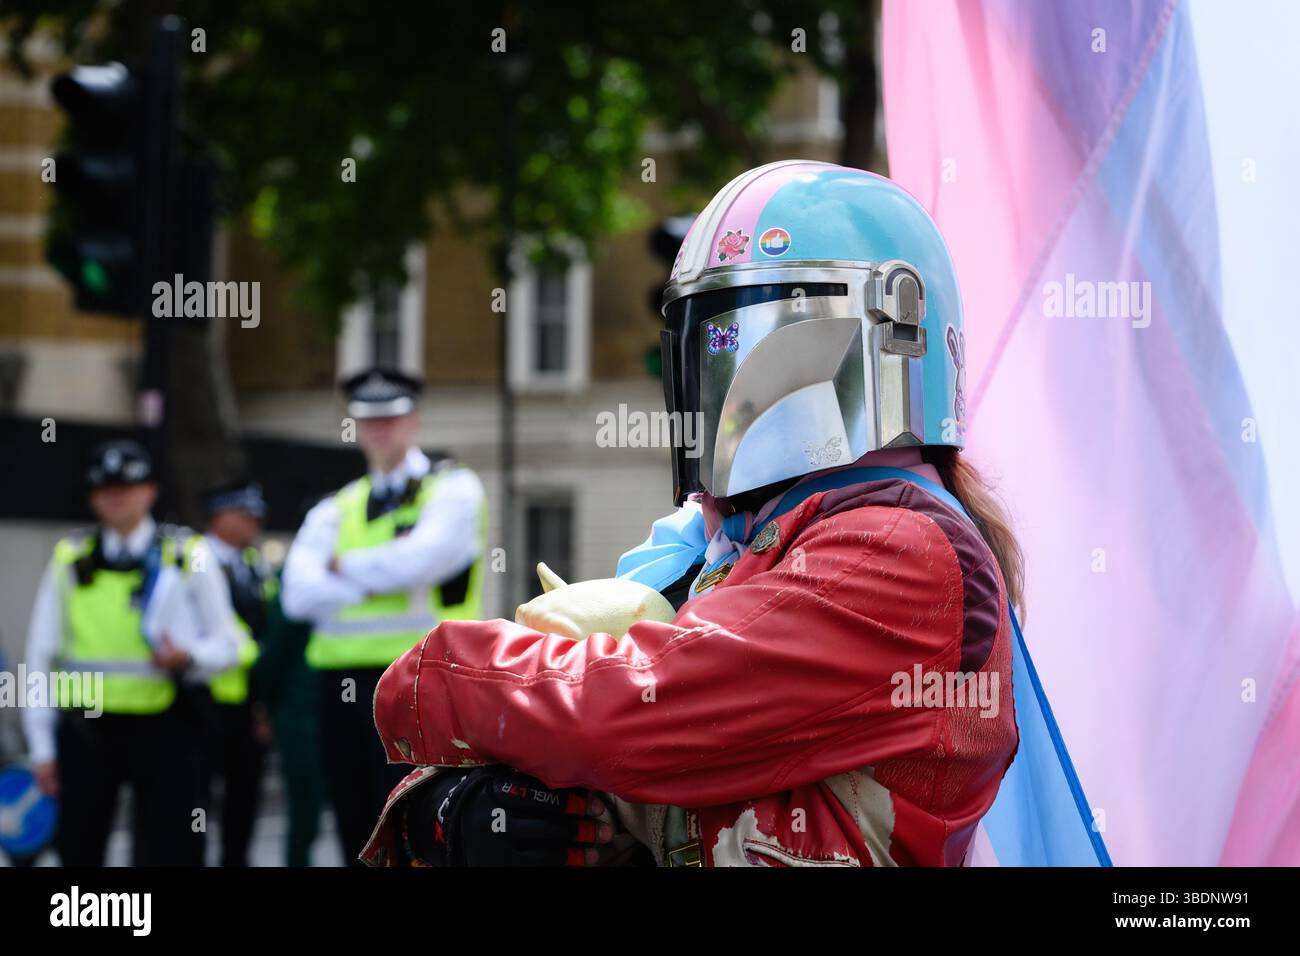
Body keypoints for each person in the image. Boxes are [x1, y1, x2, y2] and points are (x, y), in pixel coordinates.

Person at [361, 162, 1030, 868]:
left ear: (889, 334)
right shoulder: (720, 540)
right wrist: (444, 809)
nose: (723, 382)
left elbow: (623, 710)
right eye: (709, 344)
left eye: (746, 336)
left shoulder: (901, 547)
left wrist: (428, 674)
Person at [280, 368, 488, 865]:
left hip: (418, 677)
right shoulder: (336, 506)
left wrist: (342, 567)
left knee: (416, 820)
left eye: (391, 418)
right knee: (354, 824)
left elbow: (423, 559)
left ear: (412, 419)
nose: (379, 430)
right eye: (368, 419)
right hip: (338, 685)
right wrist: (387, 572)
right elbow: (296, 596)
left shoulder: (454, 487)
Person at [23, 439, 241, 866]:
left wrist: (190, 657)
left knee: (171, 848)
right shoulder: (70, 558)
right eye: (105, 488)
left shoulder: (187, 554)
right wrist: (41, 746)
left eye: (127, 485)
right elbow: (40, 655)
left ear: (151, 491)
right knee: (79, 848)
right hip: (86, 733)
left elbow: (229, 644)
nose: (116, 495)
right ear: (92, 496)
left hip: (167, 728)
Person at [203, 479, 275, 866]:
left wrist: (261, 703)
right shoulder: (193, 559)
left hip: (245, 702)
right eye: (244, 514)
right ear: (219, 516)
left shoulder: (253, 565)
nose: (253, 522)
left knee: (244, 793)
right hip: (198, 698)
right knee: (192, 796)